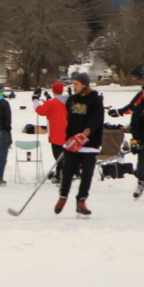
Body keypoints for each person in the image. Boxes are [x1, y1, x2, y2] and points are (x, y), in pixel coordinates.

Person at [55, 73, 104, 218]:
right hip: (72, 144)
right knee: (68, 171)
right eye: (73, 84)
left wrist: (83, 136)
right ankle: (63, 196)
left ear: (84, 85)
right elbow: (70, 121)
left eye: (76, 84)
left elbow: (95, 121)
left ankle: (81, 201)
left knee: (87, 174)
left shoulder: (95, 100)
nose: (73, 87)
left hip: (90, 144)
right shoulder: (72, 99)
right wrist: (70, 138)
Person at [33, 82, 68, 184]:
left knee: (58, 156)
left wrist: (35, 99)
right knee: (66, 156)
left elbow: (40, 110)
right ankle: (64, 172)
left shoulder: (52, 103)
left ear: (53, 90)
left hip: (56, 134)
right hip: (69, 134)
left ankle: (60, 174)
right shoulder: (69, 101)